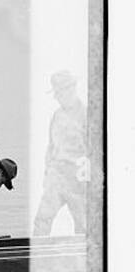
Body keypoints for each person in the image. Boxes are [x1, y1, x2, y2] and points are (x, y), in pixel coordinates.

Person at [33, 71, 87, 236]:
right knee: (42, 219)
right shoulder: (57, 115)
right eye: (56, 93)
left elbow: (95, 151)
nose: (57, 97)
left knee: (83, 223)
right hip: (56, 176)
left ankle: (82, 259)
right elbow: (51, 146)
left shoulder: (87, 115)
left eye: (59, 92)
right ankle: (37, 257)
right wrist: (47, 173)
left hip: (78, 178)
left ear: (71, 90)